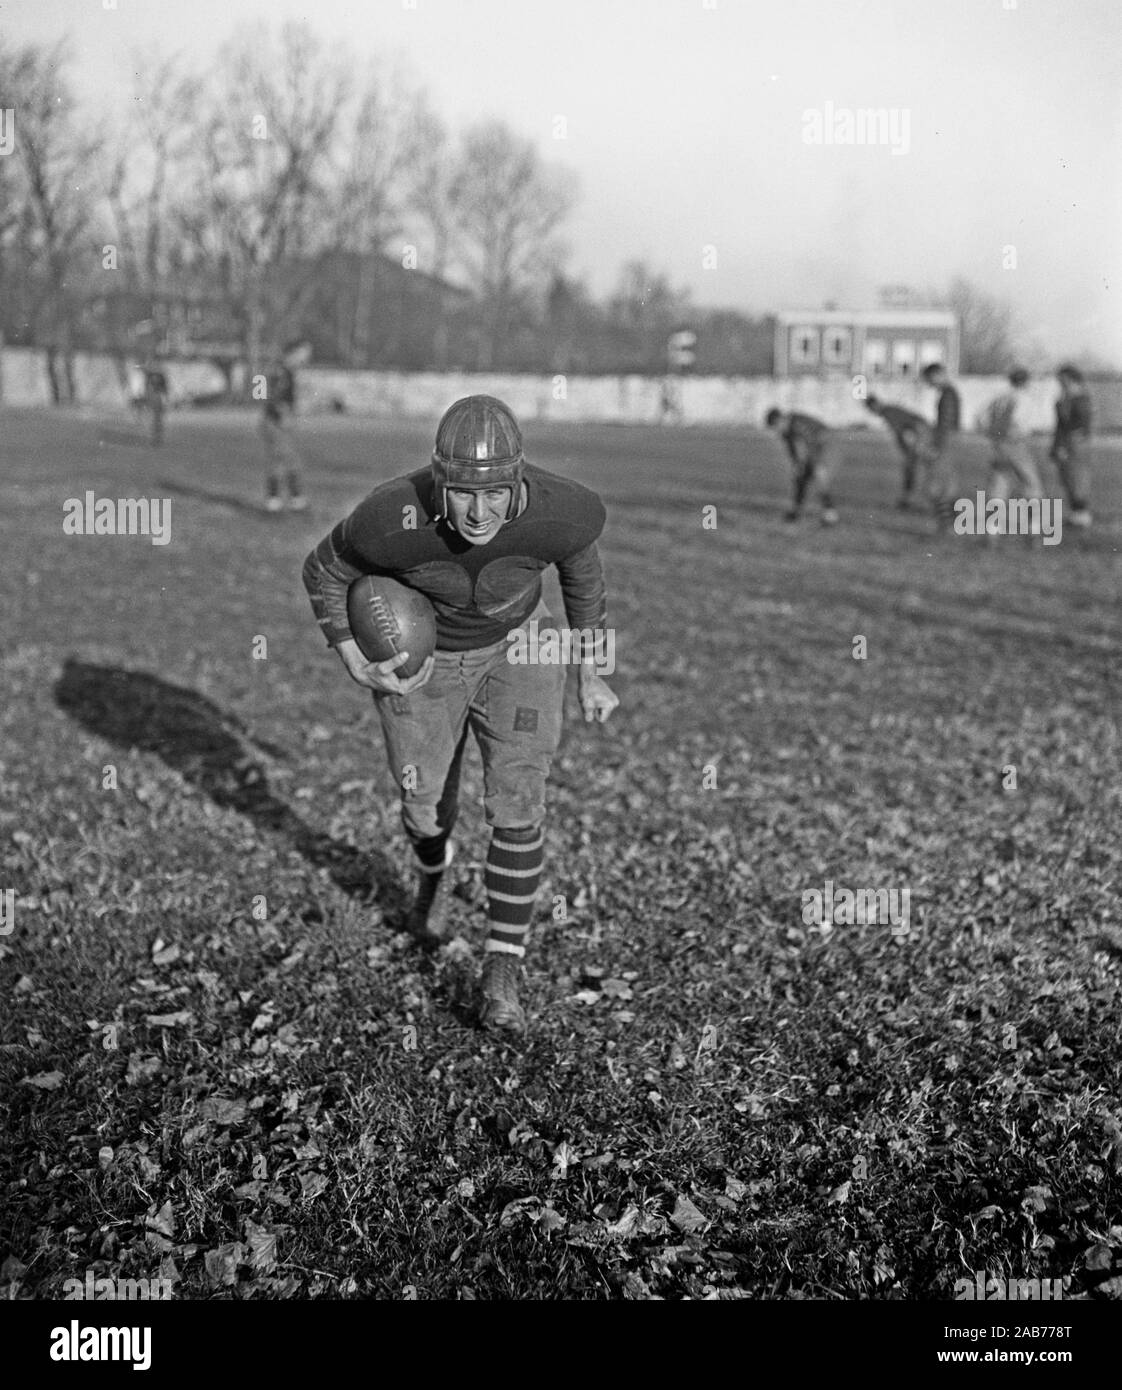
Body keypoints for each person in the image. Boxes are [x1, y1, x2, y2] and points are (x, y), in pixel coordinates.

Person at [301, 396, 618, 1036]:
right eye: (464, 495)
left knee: (519, 796)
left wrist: (592, 668)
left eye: (496, 494)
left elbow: (581, 573)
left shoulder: (563, 509)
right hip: (429, 661)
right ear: (440, 482)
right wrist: (351, 656)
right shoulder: (391, 516)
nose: (480, 513)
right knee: (422, 803)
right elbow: (323, 569)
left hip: (524, 641)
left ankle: (503, 967)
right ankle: (432, 873)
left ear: (518, 481)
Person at [982, 367, 1045, 519]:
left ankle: (993, 530)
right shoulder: (1023, 397)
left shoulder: (1000, 398)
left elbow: (980, 417)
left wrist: (992, 434)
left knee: (999, 483)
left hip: (998, 443)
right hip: (1015, 442)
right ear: (1026, 381)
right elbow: (1016, 420)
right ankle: (1033, 527)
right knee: (1031, 484)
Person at [764, 408, 840, 524]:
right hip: (815, 446)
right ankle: (796, 512)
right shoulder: (785, 431)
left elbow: (811, 442)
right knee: (800, 478)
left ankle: (830, 513)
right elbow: (792, 449)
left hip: (824, 443)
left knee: (818, 475)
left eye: (776, 426)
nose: (776, 431)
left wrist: (812, 464)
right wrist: (797, 465)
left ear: (780, 420)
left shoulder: (797, 424)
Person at [863, 394, 934, 510]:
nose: (871, 412)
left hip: (920, 433)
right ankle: (912, 499)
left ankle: (915, 500)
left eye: (870, 409)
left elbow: (903, 433)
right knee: (917, 467)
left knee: (916, 467)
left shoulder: (888, 413)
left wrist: (909, 449)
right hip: (920, 432)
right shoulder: (889, 410)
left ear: (874, 405)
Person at [260, 349, 307, 512]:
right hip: (276, 422)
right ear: (295, 351)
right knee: (282, 460)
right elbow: (267, 395)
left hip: (279, 421)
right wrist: (282, 413)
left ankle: (291, 500)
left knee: (286, 459)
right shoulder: (279, 370)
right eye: (305, 352)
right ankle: (279, 501)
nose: (306, 357)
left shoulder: (285, 370)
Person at [1050, 363, 1094, 528]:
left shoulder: (1080, 398)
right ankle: (1076, 514)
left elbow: (1079, 425)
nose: (1060, 382)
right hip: (1066, 442)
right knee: (1067, 478)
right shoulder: (1065, 397)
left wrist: (1065, 445)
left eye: (1062, 379)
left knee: (1077, 478)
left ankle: (1082, 514)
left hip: (1075, 443)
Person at [920, 363, 961, 533]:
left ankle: (946, 524)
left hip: (944, 440)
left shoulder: (948, 395)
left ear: (938, 375)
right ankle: (952, 522)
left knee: (935, 484)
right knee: (947, 482)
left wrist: (936, 446)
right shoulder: (949, 393)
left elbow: (945, 422)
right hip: (948, 439)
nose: (929, 384)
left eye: (930, 380)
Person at [144, 361, 169, 447]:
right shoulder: (150, 376)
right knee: (154, 421)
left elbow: (165, 391)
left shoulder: (158, 377)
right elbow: (147, 389)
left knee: (157, 421)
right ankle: (155, 438)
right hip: (154, 399)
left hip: (158, 399)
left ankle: (157, 438)